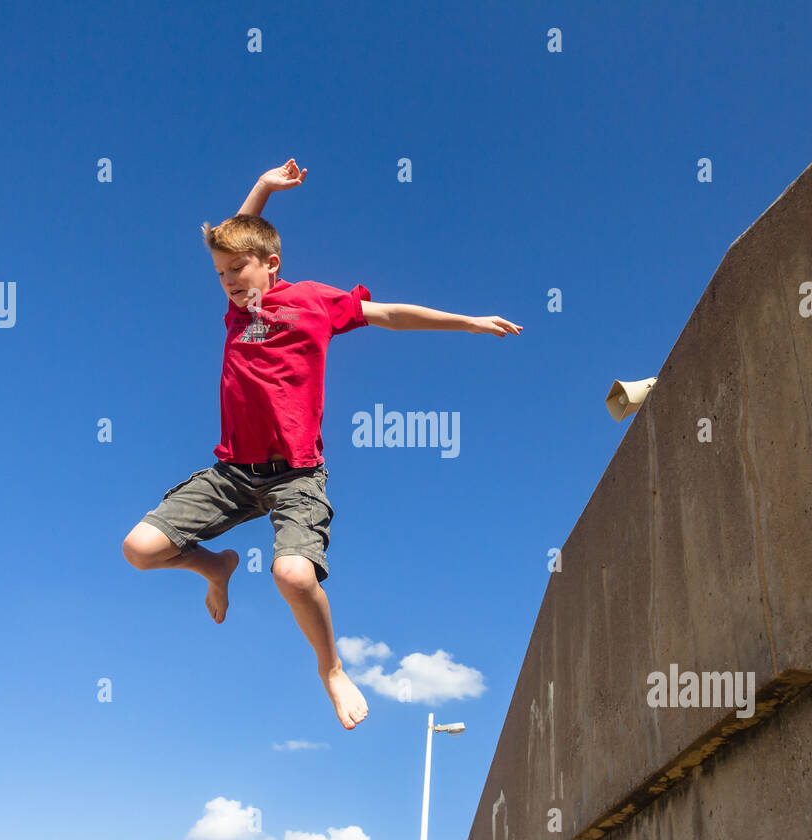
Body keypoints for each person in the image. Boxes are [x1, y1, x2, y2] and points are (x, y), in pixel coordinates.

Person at [121, 159, 521, 729]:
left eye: (238, 269)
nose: (229, 281)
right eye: (220, 274)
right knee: (139, 549)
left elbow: (391, 314)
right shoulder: (239, 313)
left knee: (292, 575)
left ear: (272, 265)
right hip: (232, 473)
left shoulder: (313, 301)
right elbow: (238, 234)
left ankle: (331, 668)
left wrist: (468, 321)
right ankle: (216, 568)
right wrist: (263, 186)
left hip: (296, 475)